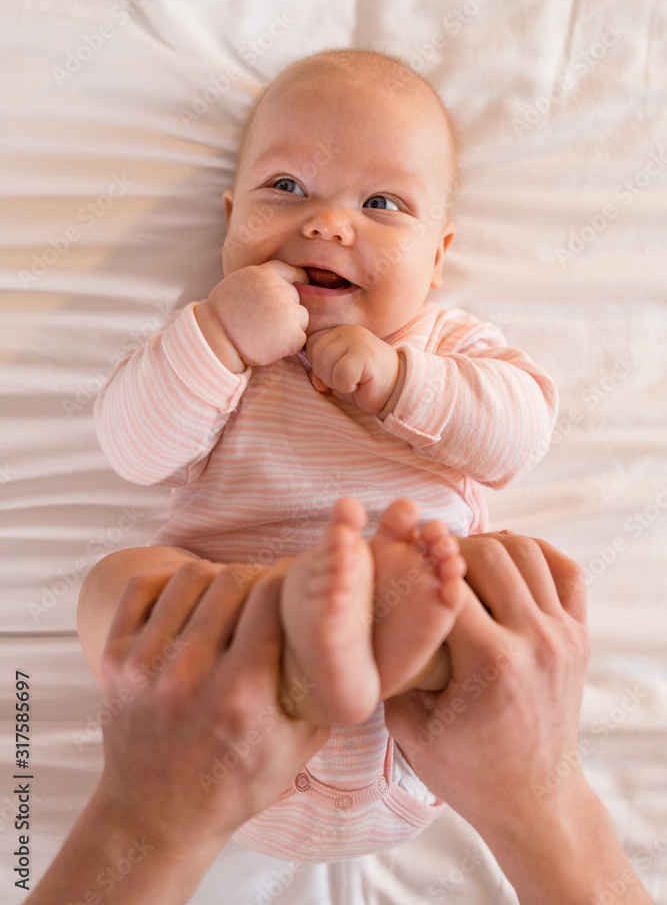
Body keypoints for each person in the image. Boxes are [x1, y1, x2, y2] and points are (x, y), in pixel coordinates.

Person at [87, 47, 559, 859]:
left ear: (438, 256)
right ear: (230, 218)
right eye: (286, 188)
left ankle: (344, 646)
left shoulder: (442, 343)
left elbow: (517, 437)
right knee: (119, 583)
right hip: (220, 714)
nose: (326, 223)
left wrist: (402, 380)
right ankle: (294, 650)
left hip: (421, 725)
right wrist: (222, 335)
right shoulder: (215, 344)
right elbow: (132, 448)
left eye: (381, 203)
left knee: (479, 573)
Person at [31, 523, 653, 904]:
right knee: (492, 576)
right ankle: (381, 646)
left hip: (218, 718)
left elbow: (516, 427)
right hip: (433, 751)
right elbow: (140, 438)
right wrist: (545, 798)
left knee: (125, 587)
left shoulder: (457, 341)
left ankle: (303, 654)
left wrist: (407, 384)